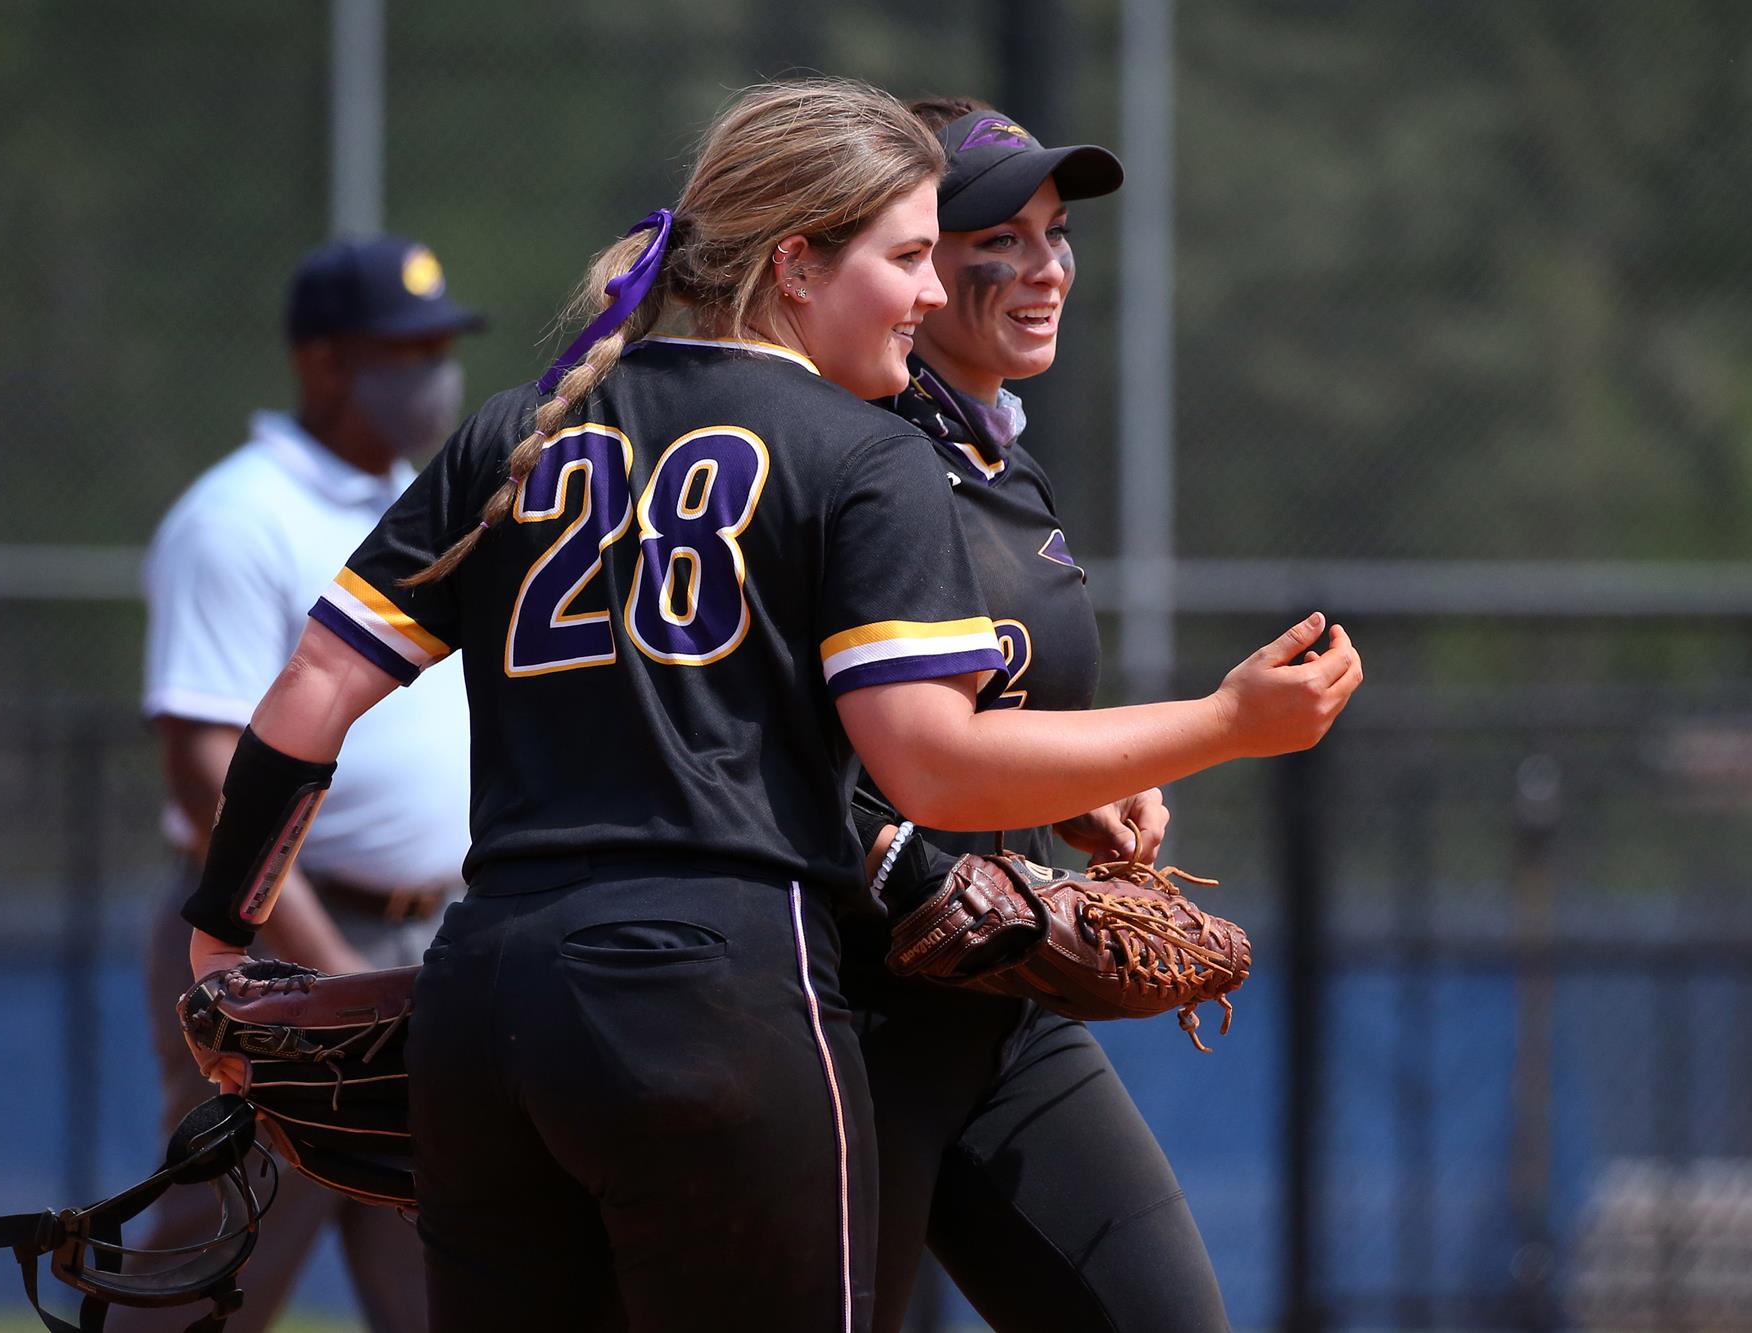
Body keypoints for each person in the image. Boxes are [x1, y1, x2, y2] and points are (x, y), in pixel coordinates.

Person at [179, 78, 1361, 1333]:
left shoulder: (523, 427)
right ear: (795, 263)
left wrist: (219, 939)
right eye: (909, 256)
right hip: (721, 992)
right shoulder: (859, 451)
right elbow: (931, 766)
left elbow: (313, 689)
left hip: (486, 990)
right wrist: (1226, 724)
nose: (925, 291)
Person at [844, 99, 1240, 1331]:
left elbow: (986, 714)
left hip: (991, 989)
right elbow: (832, 752)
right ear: (909, 258)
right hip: (839, 1012)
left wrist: (1078, 791)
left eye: (1054, 233)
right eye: (996, 238)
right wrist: (1224, 722)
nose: (1045, 266)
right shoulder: (846, 459)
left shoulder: (1001, 461)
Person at [120, 234, 486, 1333]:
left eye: (440, 347)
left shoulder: (423, 502)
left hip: (427, 936)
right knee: (220, 1260)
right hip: (279, 937)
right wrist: (327, 971)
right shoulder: (236, 516)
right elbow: (204, 768)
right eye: (404, 350)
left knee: (452, 1263)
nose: (434, 373)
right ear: (323, 361)